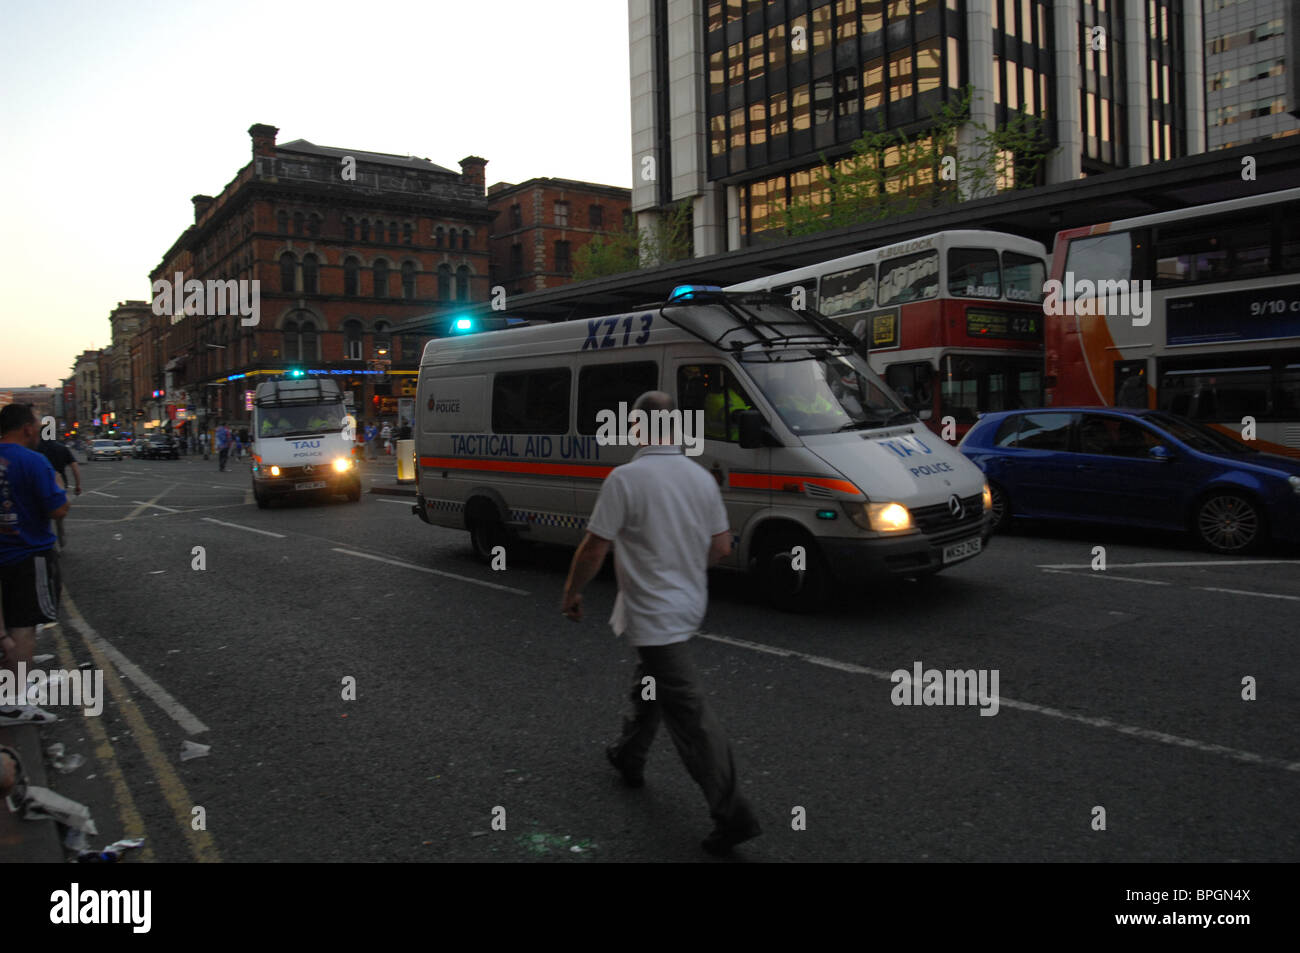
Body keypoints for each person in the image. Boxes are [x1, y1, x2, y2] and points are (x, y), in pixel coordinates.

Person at [561, 390, 761, 855]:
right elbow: (722, 547)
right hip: (687, 604)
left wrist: (572, 592)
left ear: (636, 428)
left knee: (689, 713)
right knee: (651, 681)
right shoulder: (700, 478)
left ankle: (733, 814)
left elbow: (594, 547)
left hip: (654, 612)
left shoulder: (626, 479)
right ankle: (629, 755)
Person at [0, 404, 69, 725]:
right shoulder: (34, 462)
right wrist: (57, 484)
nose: (41, 428)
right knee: (24, 627)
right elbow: (58, 510)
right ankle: (14, 701)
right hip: (28, 555)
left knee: (7, 627)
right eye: (38, 424)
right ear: (27, 428)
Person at [37, 436, 81, 548]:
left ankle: (45, 542)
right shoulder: (62, 448)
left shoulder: (35, 448)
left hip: (40, 485)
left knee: (40, 515)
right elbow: (74, 466)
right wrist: (78, 485)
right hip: (60, 484)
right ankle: (61, 537)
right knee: (59, 514)